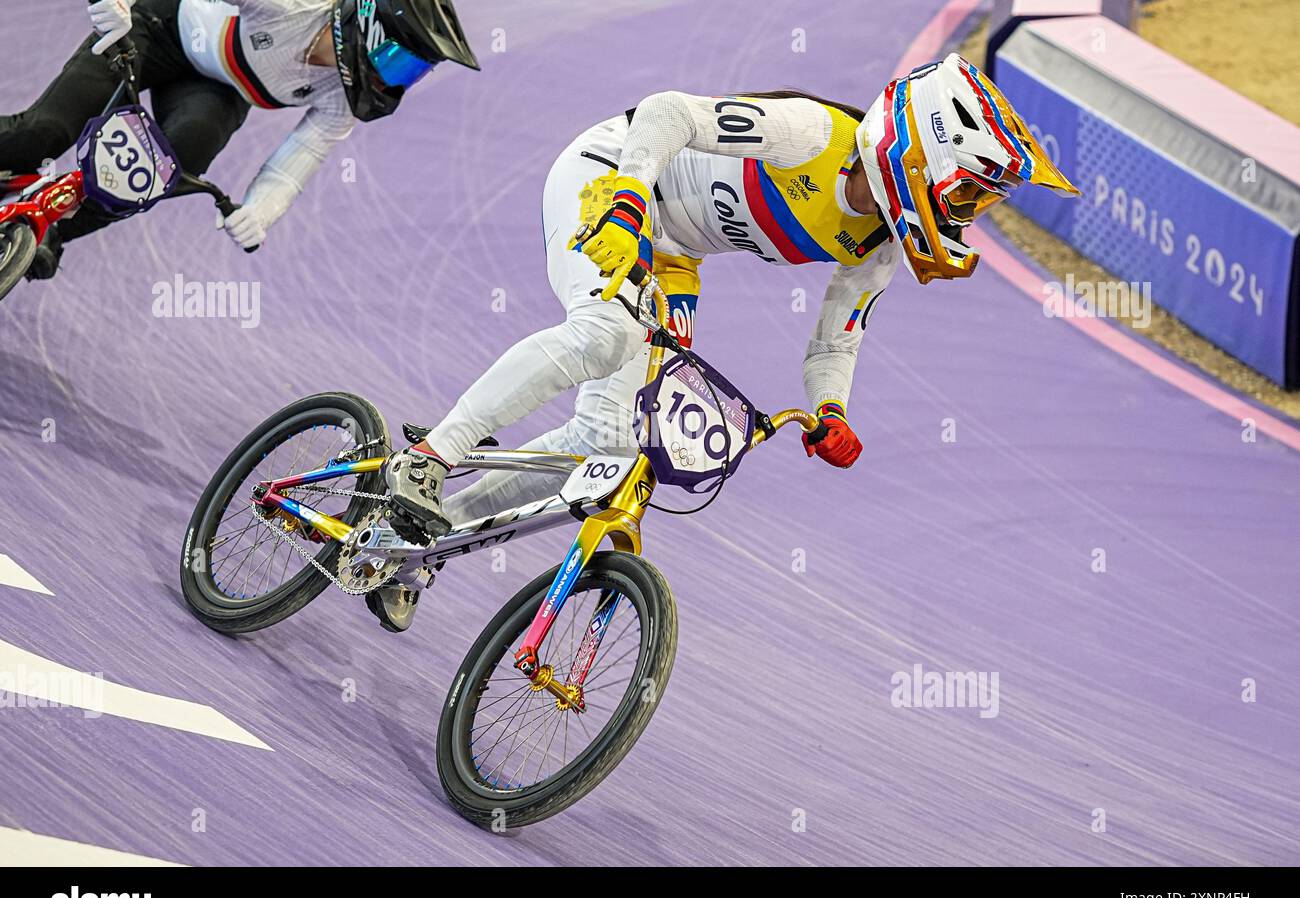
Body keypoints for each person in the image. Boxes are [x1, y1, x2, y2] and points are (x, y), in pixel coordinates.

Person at [366, 53, 1080, 632]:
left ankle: (417, 542)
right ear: (924, 155)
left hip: (671, 257)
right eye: (968, 197)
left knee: (611, 445)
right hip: (613, 178)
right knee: (605, 333)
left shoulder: (878, 243)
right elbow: (669, 112)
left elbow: (837, 340)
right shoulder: (810, 134)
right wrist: (625, 200)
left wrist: (831, 411)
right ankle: (430, 458)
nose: (965, 217)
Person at [0, 0, 478, 278]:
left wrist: (259, 211)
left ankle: (50, 230)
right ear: (368, 28)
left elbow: (301, 156)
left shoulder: (340, 98)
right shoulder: (293, 6)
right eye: (399, 60)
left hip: (215, 87)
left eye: (412, 73)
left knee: (176, 158)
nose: (397, 81)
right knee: (42, 134)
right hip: (153, 29)